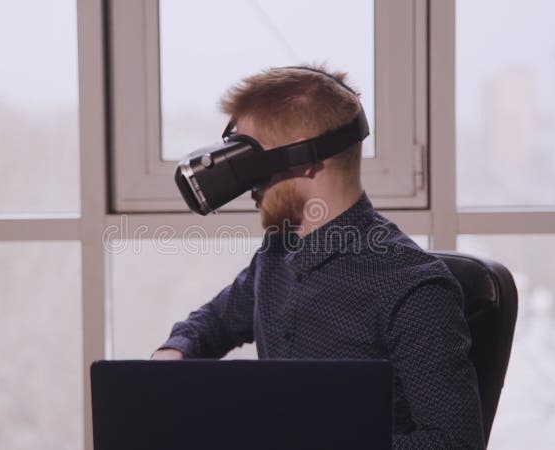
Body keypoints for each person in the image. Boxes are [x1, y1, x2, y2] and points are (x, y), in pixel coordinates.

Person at [152, 65, 485, 449]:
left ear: (306, 158)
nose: (245, 186)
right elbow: (215, 320)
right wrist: (176, 350)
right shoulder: (279, 252)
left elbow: (455, 442)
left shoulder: (413, 288)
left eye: (248, 162)